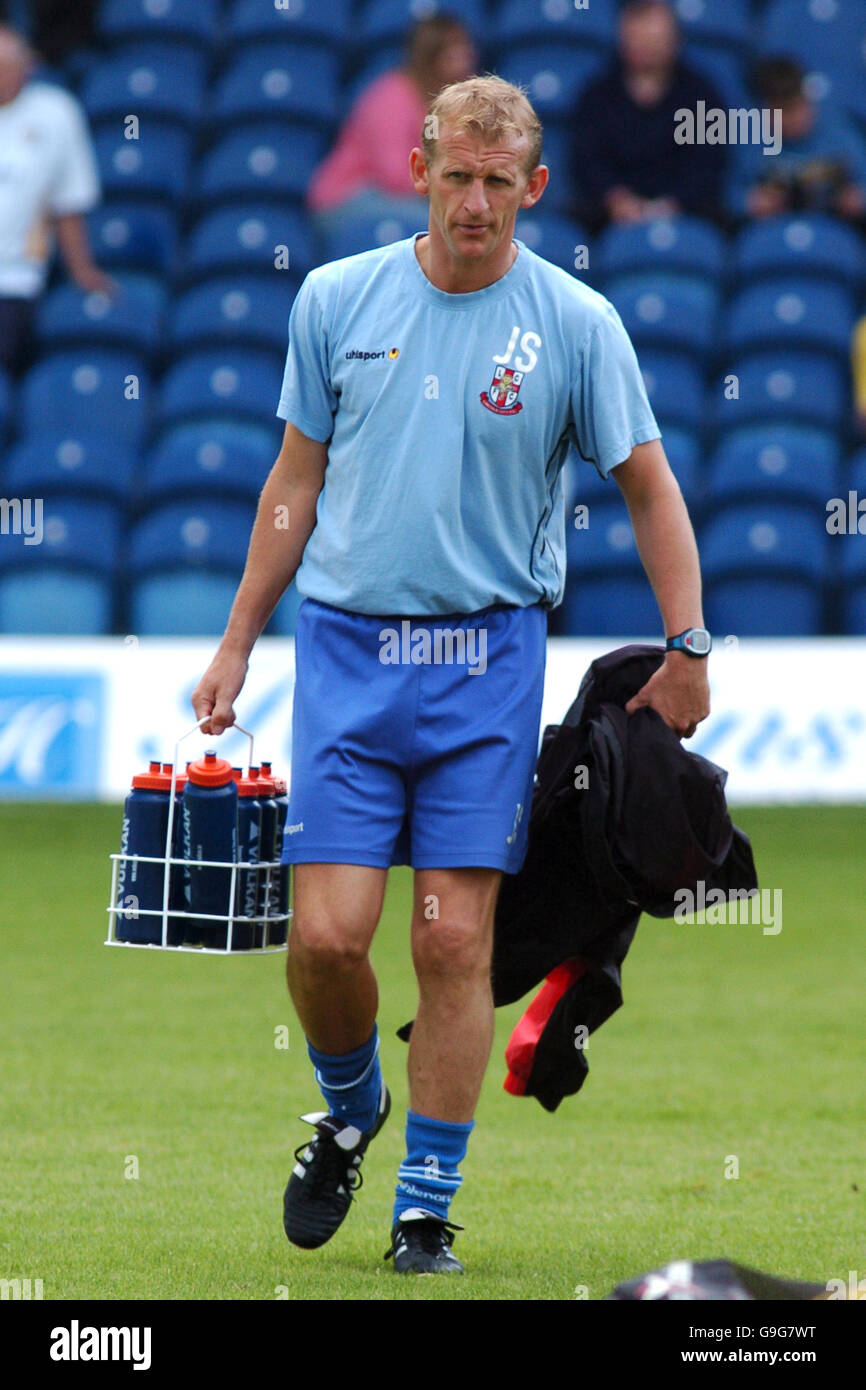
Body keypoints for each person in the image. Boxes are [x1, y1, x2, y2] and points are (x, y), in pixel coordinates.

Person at [191, 74, 711, 1276]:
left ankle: (424, 1205)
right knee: (325, 940)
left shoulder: (576, 324)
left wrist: (687, 646)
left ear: (530, 187)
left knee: (449, 943)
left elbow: (650, 487)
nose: (473, 203)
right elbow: (291, 484)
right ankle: (348, 1103)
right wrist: (235, 640)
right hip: (346, 653)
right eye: (454, 176)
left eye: (497, 182)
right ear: (419, 170)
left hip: (484, 662)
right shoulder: (333, 298)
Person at [307, 13, 477, 256]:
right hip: (348, 198)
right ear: (431, 56)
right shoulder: (392, 95)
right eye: (454, 51)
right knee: (445, 223)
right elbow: (396, 175)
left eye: (466, 49)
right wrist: (455, 189)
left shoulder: (449, 102)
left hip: (404, 196)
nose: (466, 58)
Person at [0, 24, 112, 375]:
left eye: (6, 67)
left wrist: (82, 270)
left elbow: (68, 202)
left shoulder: (55, 112)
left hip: (14, 278)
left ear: (29, 66)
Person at [570, 0, 728, 230]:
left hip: (690, 214)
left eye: (654, 40)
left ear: (675, 40)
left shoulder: (702, 93)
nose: (646, 48)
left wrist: (674, 204)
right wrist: (616, 198)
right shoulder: (597, 94)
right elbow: (586, 160)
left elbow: (709, 163)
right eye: (638, 39)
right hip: (608, 217)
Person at [730, 57, 866, 223]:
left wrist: (857, 198)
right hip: (773, 229)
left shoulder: (839, 129)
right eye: (782, 111)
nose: (794, 118)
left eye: (798, 106)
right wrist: (748, 202)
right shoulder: (750, 138)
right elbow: (728, 193)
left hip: (836, 228)